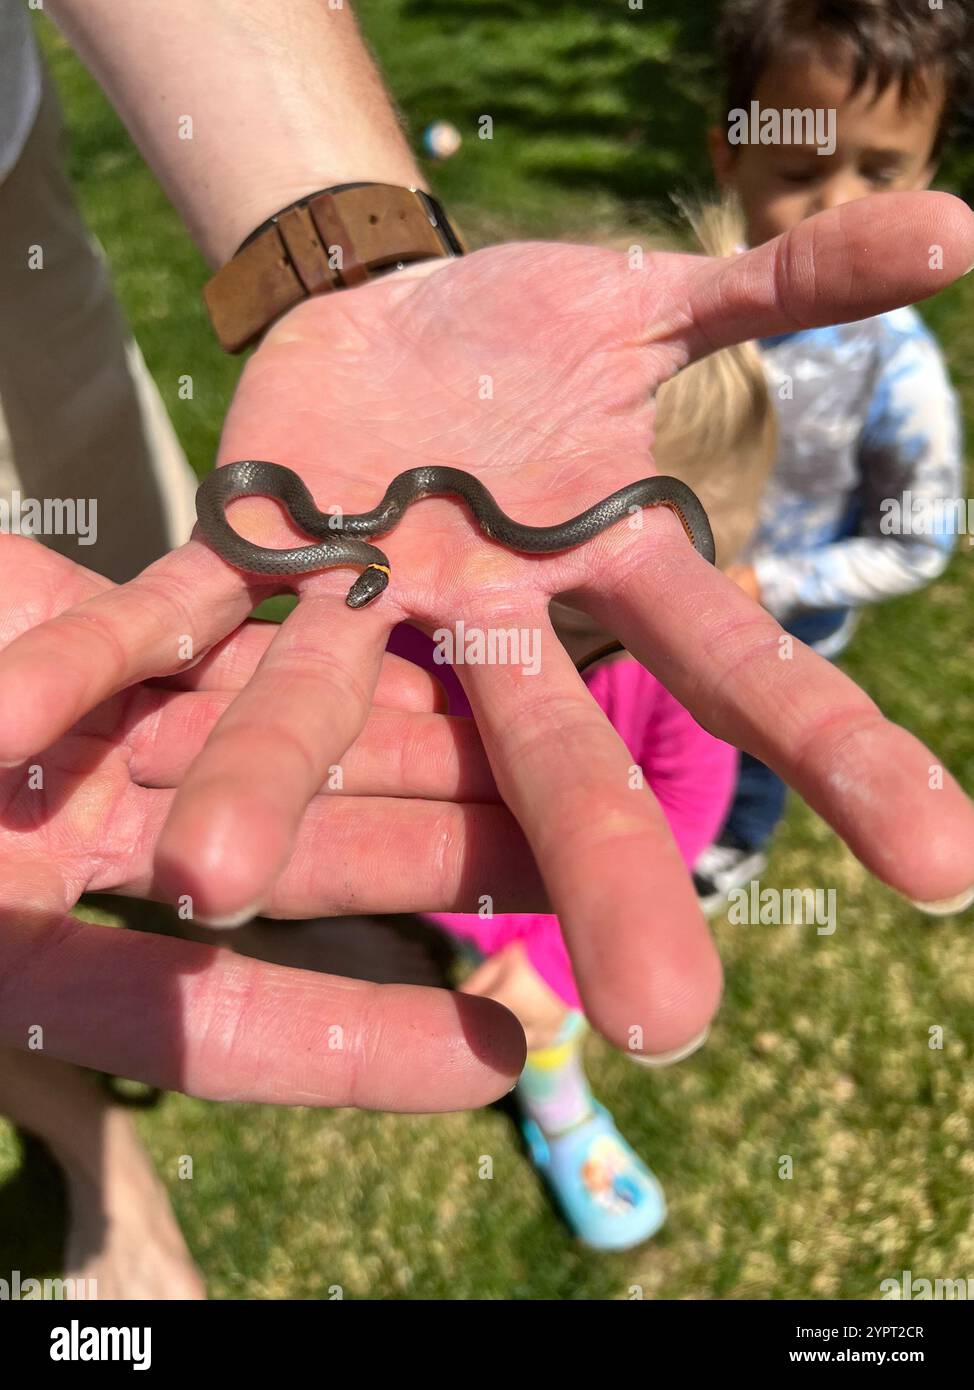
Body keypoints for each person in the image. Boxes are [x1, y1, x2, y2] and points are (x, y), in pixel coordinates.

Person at [693, 0, 973, 911]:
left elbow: (915, 544)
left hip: (793, 611)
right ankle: (671, 804)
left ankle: (737, 837)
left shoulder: (899, 372)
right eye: (801, 167)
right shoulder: (682, 312)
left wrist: (768, 583)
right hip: (674, 584)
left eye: (883, 171)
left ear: (931, 175)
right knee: (681, 717)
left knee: (766, 734)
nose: (838, 208)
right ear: (728, 153)